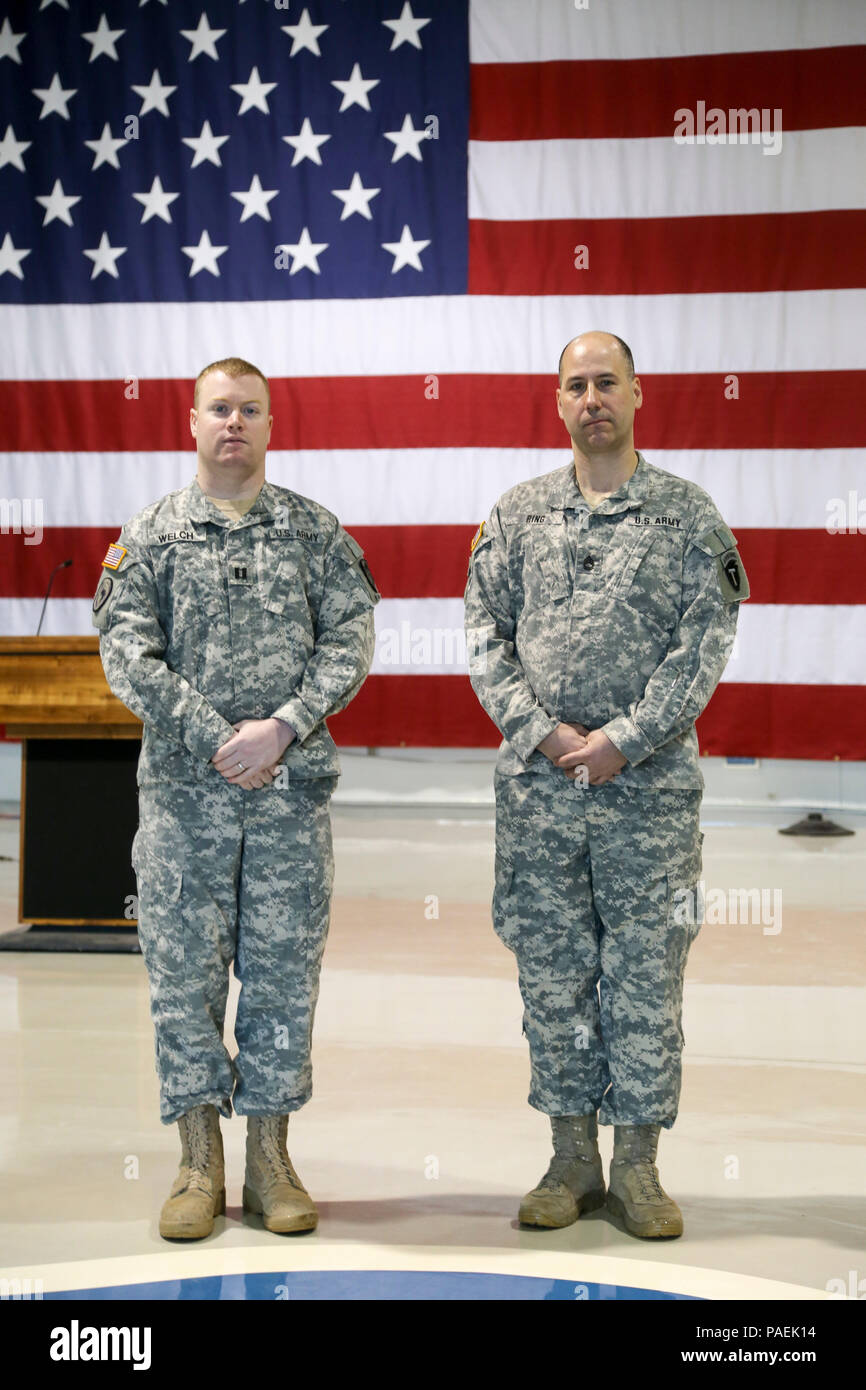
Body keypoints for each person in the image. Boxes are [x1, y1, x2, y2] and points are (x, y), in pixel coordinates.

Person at [464, 331, 749, 1239]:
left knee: (643, 981)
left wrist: (624, 741)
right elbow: (483, 635)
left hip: (648, 797)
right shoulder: (516, 517)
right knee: (553, 980)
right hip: (540, 796)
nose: (593, 399)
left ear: (638, 396)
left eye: (607, 384)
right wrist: (545, 733)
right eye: (576, 385)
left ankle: (638, 1167)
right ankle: (570, 1159)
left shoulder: (687, 519)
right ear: (557, 402)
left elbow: (703, 648)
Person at [92, 357, 379, 1240]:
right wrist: (218, 734)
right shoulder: (150, 539)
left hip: (288, 801)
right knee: (183, 981)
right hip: (185, 802)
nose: (234, 424)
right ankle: (195, 1161)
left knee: (283, 982)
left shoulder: (312, 533)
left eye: (250, 410)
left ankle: (270, 1160)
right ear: (191, 421)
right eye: (220, 409)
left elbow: (352, 638)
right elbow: (128, 656)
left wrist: (284, 727)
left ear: (269, 425)